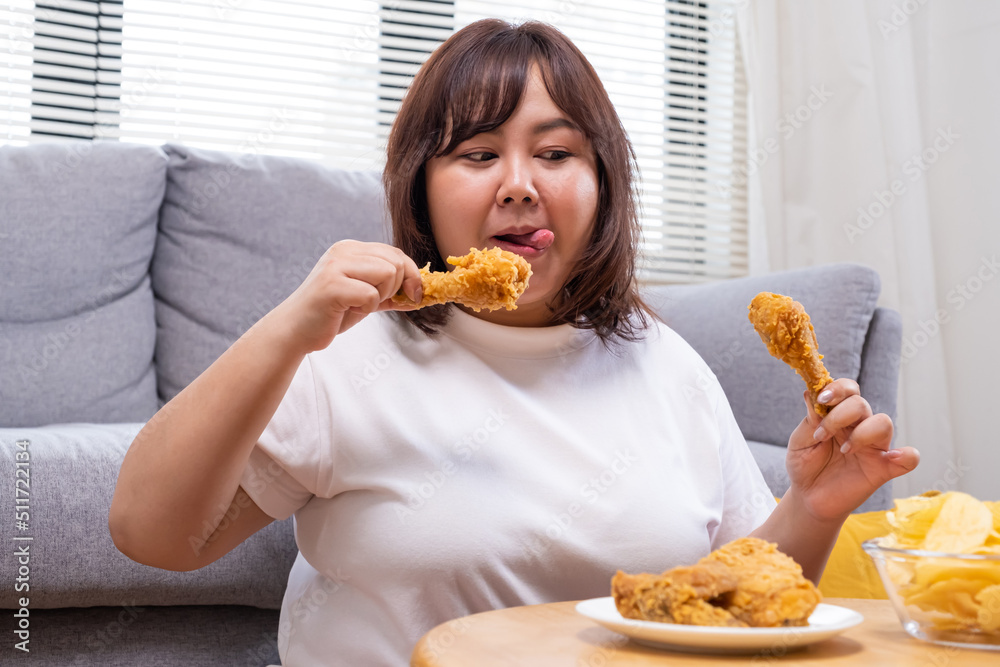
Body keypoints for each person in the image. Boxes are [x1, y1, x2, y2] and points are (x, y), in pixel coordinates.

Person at [109, 18, 919, 667]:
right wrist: (289, 327)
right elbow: (151, 532)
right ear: (421, 188)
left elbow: (735, 606)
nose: (521, 182)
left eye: (557, 152)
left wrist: (811, 507)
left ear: (602, 188)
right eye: (479, 153)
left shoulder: (664, 363)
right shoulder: (347, 355)